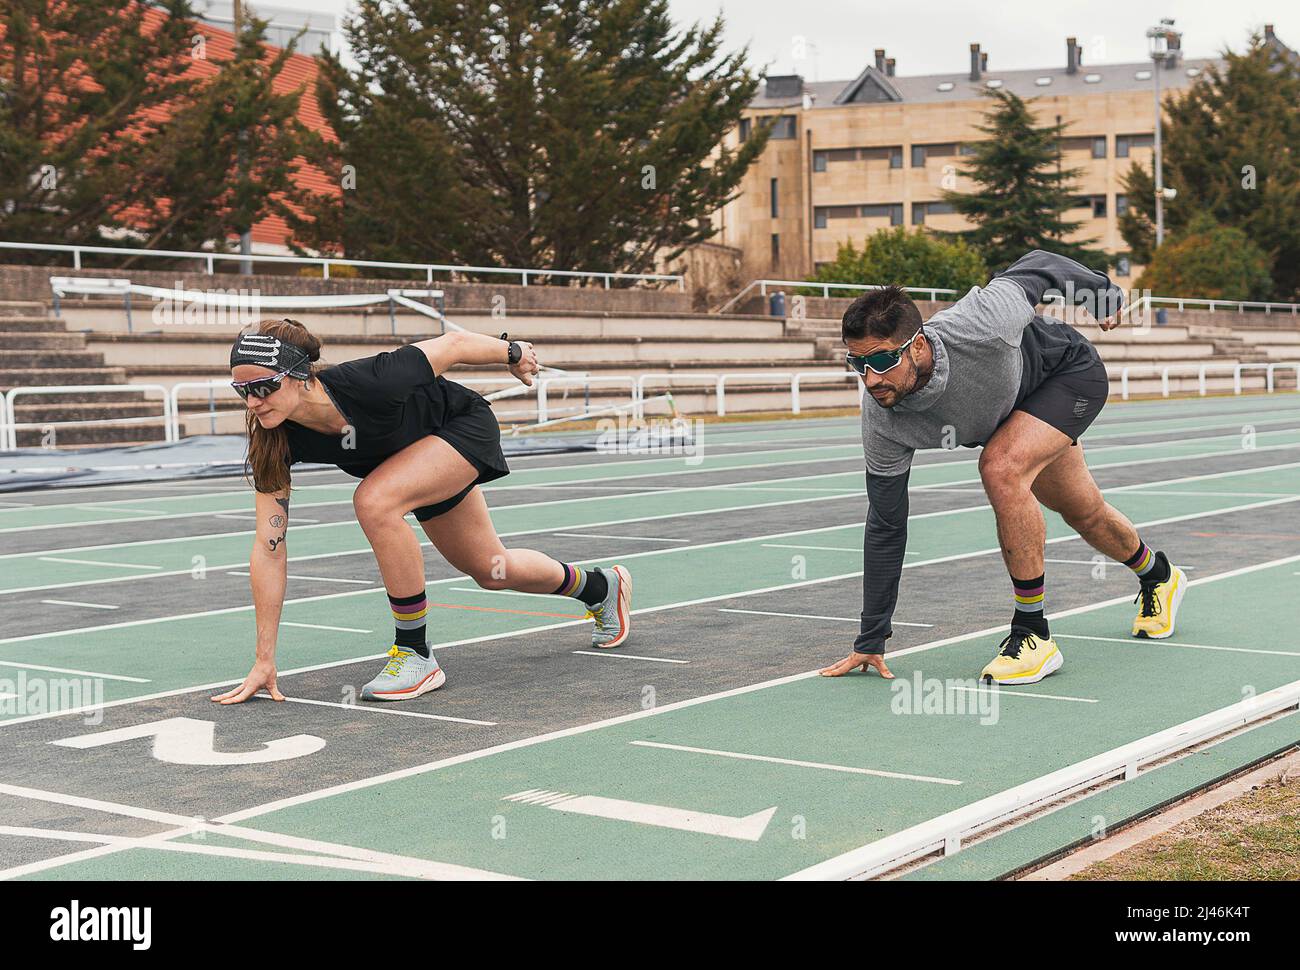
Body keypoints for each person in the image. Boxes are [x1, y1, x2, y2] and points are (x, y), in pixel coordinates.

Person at [211, 318, 632, 705]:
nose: (252, 401)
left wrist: (515, 352)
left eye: (264, 386)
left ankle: (415, 652)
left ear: (300, 375)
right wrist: (264, 657)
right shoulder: (273, 441)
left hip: (458, 427)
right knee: (492, 568)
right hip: (410, 466)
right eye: (241, 390)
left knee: (374, 501)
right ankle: (600, 588)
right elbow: (269, 548)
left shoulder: (373, 380)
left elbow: (454, 344)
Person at [819, 251, 1186, 686]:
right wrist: (872, 636)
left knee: (1000, 467)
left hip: (1067, 376)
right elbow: (886, 524)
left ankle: (1033, 633)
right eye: (857, 364)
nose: (871, 379)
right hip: (1015, 417)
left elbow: (1038, 265)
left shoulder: (981, 322)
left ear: (917, 345)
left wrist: (1101, 292)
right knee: (1084, 511)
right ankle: (1159, 576)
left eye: (880, 361)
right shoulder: (882, 419)